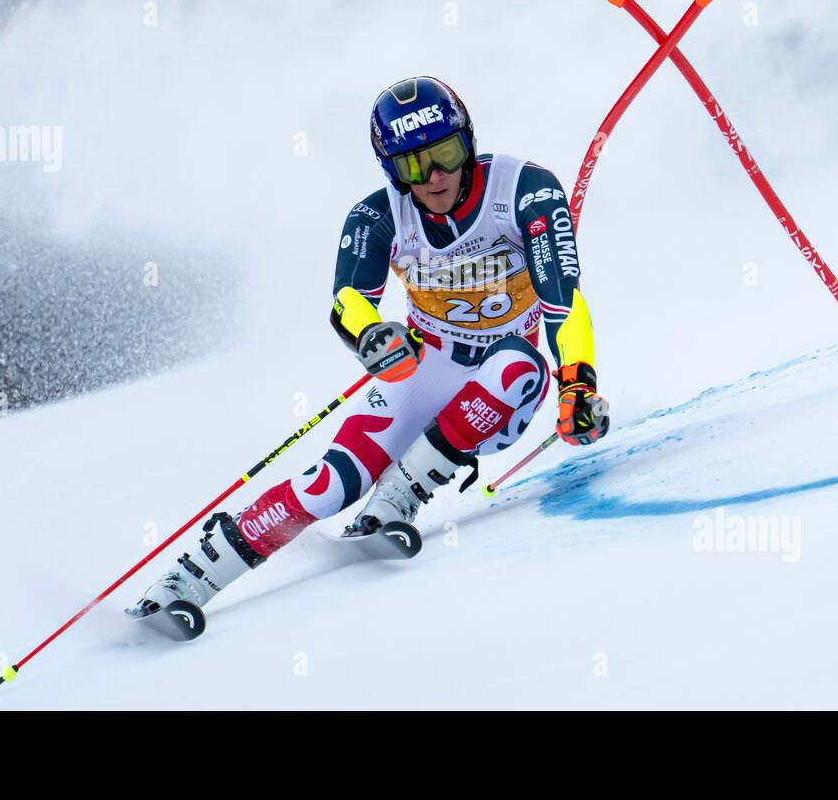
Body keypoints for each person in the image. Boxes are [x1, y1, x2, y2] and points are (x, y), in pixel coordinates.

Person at [129, 76, 609, 617]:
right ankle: (188, 580)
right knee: (332, 484)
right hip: (427, 364)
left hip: (504, 392)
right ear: (390, 169)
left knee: (515, 365)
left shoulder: (526, 190)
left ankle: (400, 495)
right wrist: (372, 334)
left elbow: (563, 303)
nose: (434, 177)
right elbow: (349, 299)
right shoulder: (378, 216)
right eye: (412, 165)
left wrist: (578, 382)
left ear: (468, 142)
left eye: (446, 155)